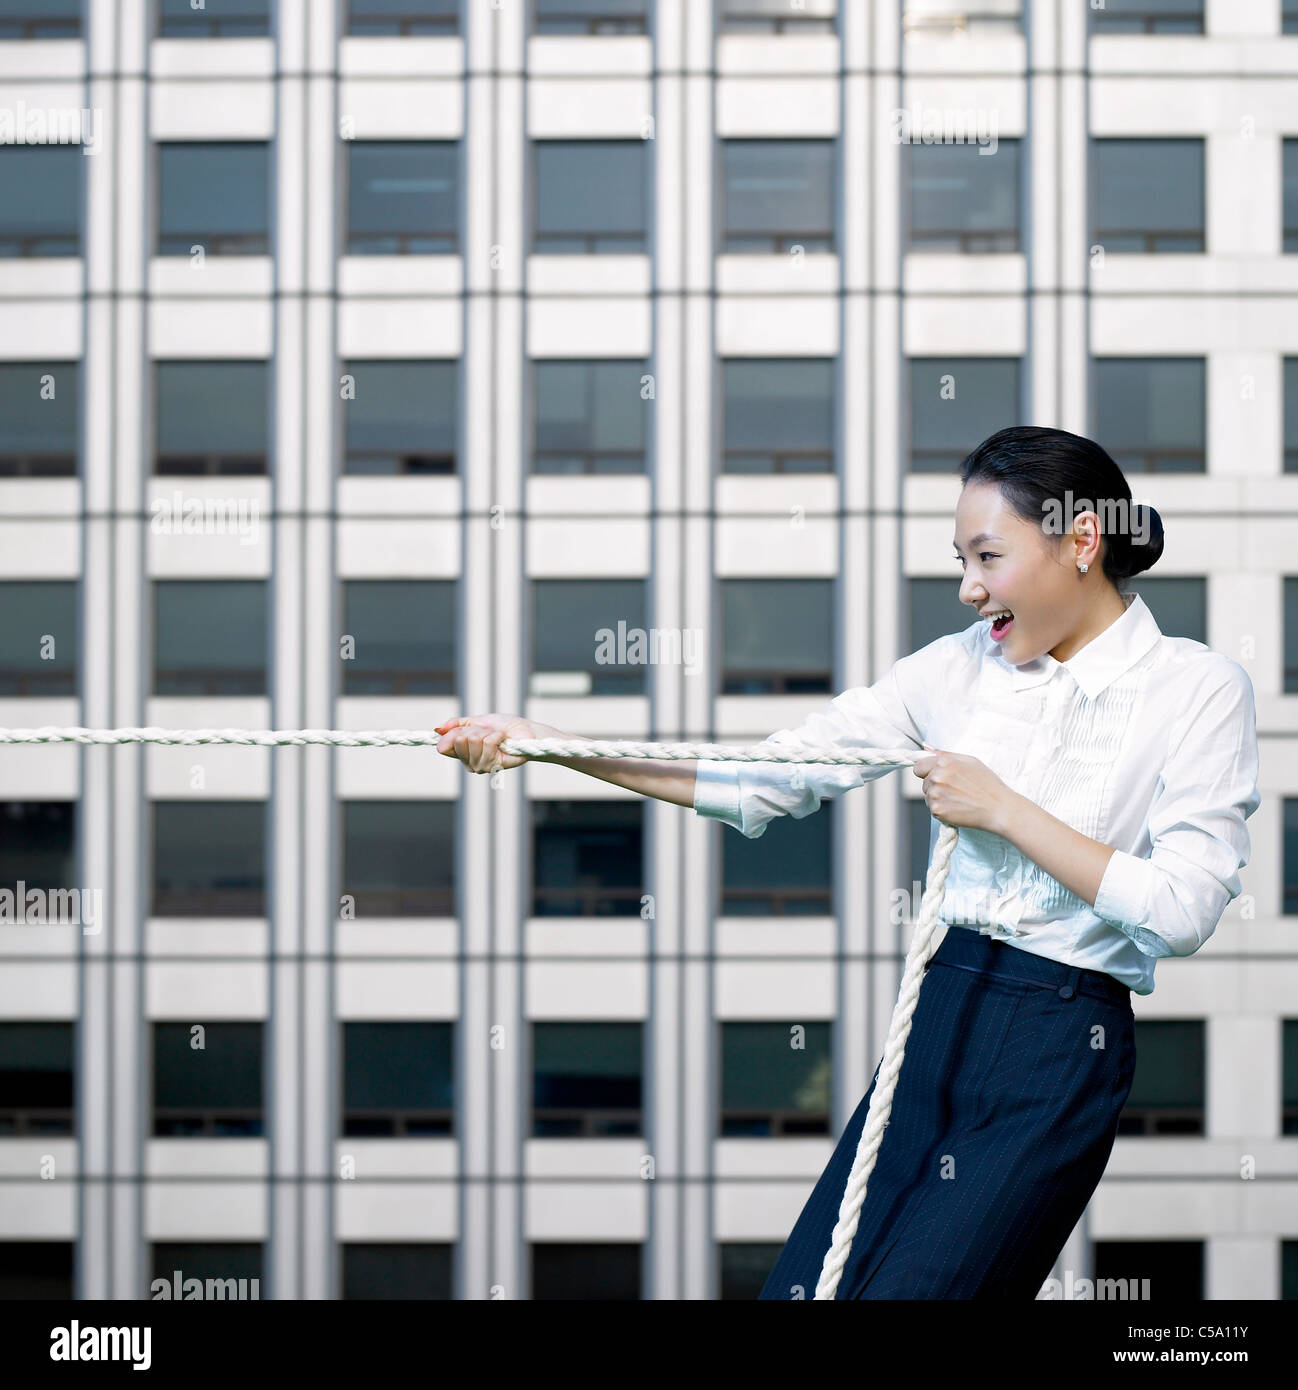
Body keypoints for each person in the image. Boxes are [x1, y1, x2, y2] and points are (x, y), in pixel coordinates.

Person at [435, 424, 1261, 1300]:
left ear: (1082, 541)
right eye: (962, 558)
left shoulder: (1198, 688)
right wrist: (559, 747)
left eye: (988, 556)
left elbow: (1182, 909)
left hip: (1061, 1042)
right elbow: (762, 781)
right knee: (813, 1287)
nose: (968, 589)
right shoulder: (952, 673)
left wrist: (1006, 812)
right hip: (940, 1014)